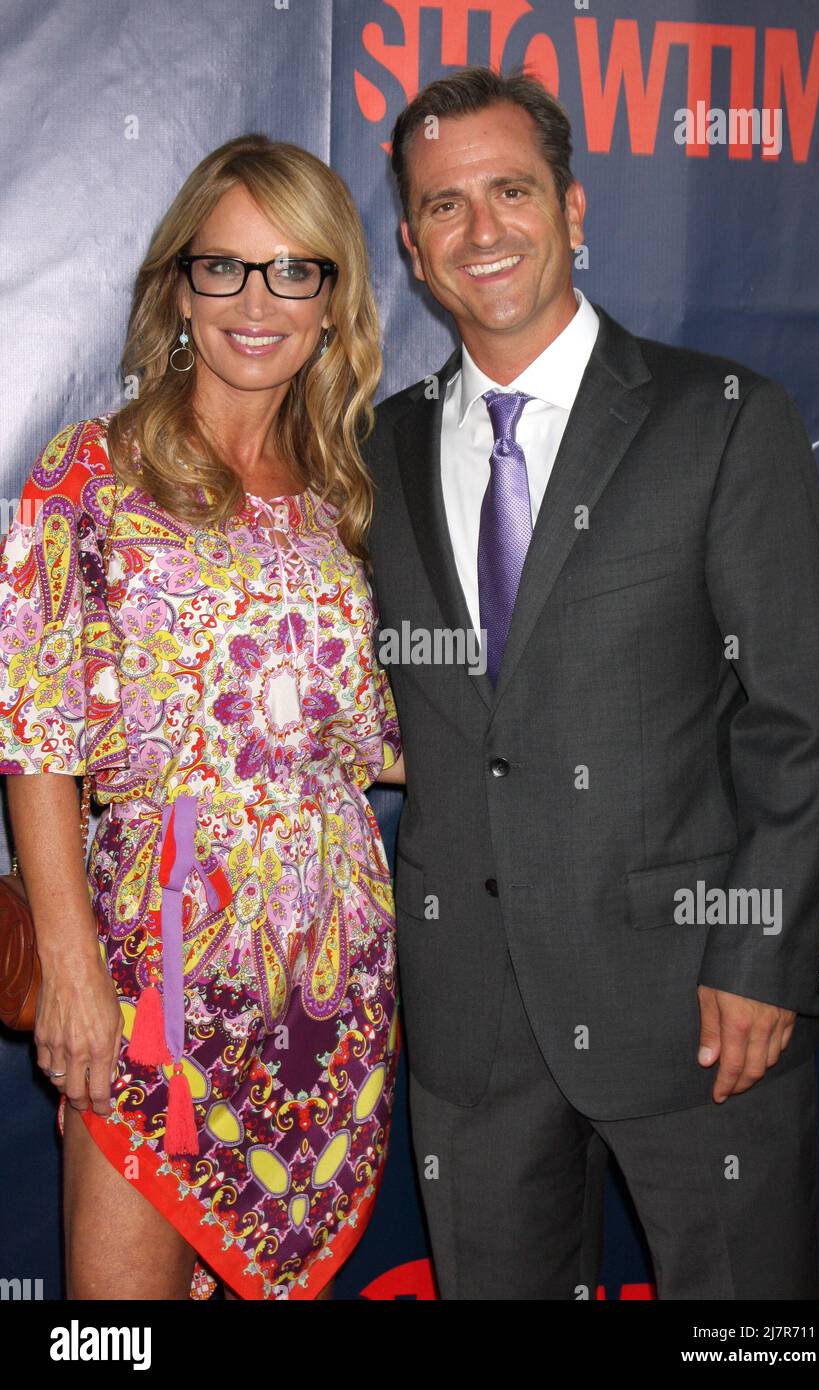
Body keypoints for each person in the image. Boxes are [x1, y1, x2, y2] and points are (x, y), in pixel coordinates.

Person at [363, 66, 819, 1299]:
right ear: (414, 249)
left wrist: (755, 956)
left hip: (697, 1007)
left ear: (573, 209)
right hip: (469, 1015)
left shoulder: (722, 416)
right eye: (442, 206)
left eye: (511, 191)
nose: (482, 231)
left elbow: (797, 721)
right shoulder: (379, 447)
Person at [0, 132, 404, 1300]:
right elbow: (35, 730)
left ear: (334, 301)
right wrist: (72, 962)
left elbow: (376, 733)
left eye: (294, 270)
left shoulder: (347, 497)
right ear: (179, 288)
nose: (257, 301)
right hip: (151, 984)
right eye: (223, 267)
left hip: (324, 996)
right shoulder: (86, 477)